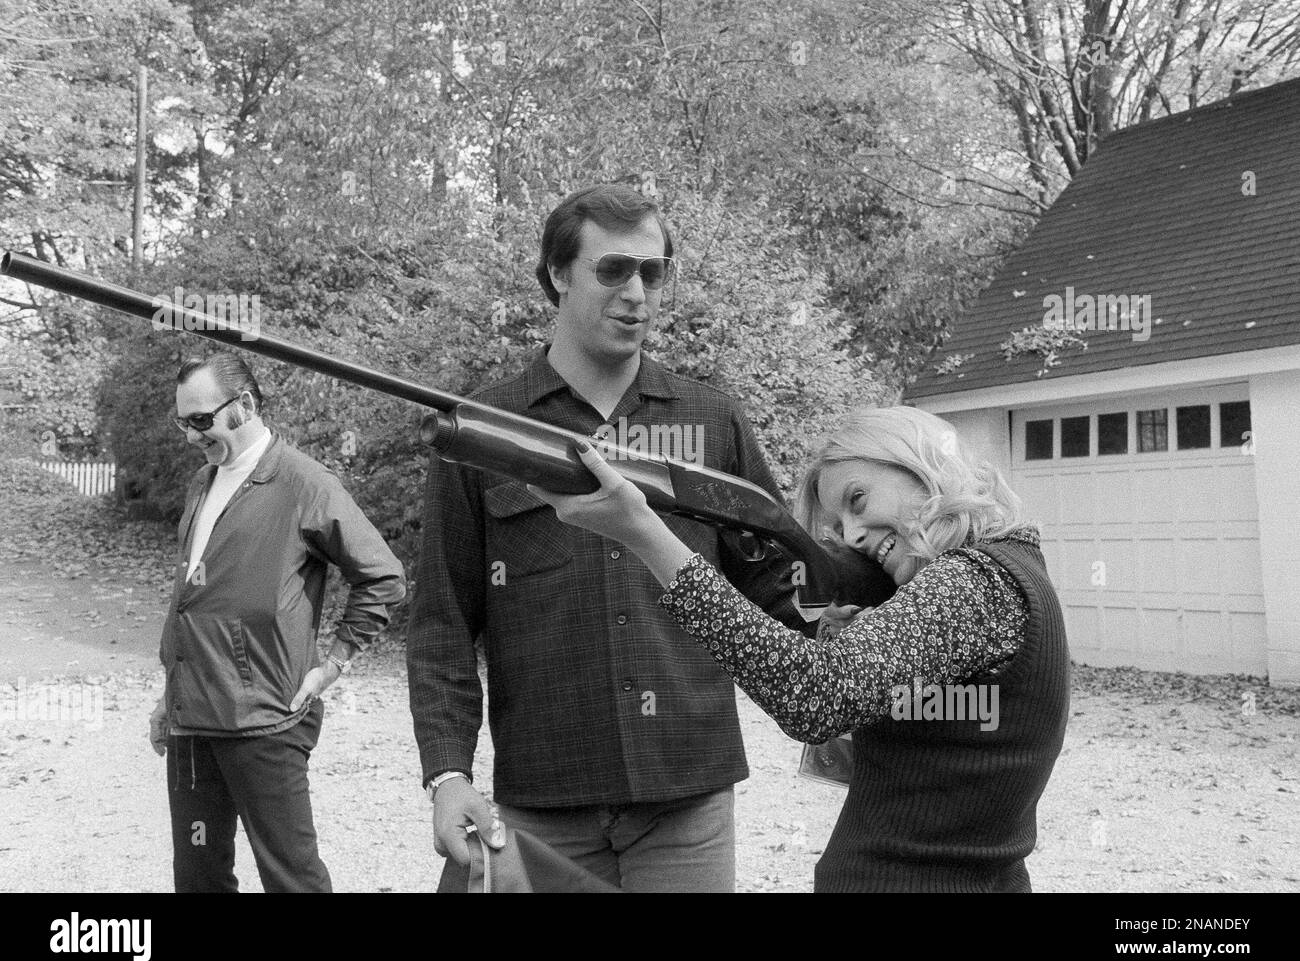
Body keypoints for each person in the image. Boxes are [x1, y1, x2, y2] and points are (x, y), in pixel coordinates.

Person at [407, 183, 892, 892]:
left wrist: (862, 647)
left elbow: (779, 587)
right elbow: (442, 626)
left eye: (652, 272)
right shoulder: (486, 431)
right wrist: (447, 776)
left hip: (688, 794)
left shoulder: (712, 419)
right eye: (612, 270)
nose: (636, 292)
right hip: (544, 796)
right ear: (557, 274)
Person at [530, 405, 1071, 892]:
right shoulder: (1006, 572)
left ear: (919, 464)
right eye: (837, 526)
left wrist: (646, 534)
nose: (854, 535)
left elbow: (816, 696)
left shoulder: (974, 582)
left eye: (857, 500)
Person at [148, 351, 407, 892]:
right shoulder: (203, 481)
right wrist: (166, 698)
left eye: (201, 420)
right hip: (192, 720)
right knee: (197, 880)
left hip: (264, 720)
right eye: (183, 423)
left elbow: (382, 577)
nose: (193, 436)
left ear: (243, 405)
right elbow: (192, 596)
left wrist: (333, 664)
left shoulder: (305, 483)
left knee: (292, 879)